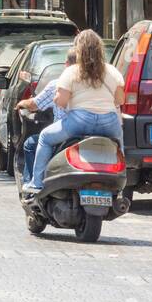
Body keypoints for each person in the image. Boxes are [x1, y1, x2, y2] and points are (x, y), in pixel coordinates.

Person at [22, 30, 125, 195]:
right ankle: (120, 184)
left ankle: (37, 183)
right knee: (118, 145)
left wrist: (60, 99)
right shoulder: (112, 71)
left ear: (78, 50)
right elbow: (120, 100)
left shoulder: (71, 72)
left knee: (45, 138)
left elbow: (61, 102)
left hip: (79, 122)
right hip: (109, 123)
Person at [15, 48, 75, 187]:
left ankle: (35, 184)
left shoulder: (57, 84)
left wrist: (22, 103)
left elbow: (34, 105)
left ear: (66, 64)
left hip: (66, 132)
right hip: (95, 130)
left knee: (32, 143)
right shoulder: (94, 83)